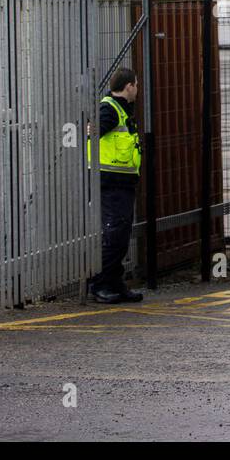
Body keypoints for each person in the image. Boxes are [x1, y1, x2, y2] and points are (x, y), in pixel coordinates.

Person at [87, 68, 144, 304]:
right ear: (129, 86)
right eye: (137, 85)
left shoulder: (122, 109)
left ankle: (115, 283)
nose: (138, 90)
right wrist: (92, 129)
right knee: (114, 234)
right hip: (111, 182)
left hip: (122, 182)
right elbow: (93, 131)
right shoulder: (110, 108)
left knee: (121, 235)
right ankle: (101, 284)